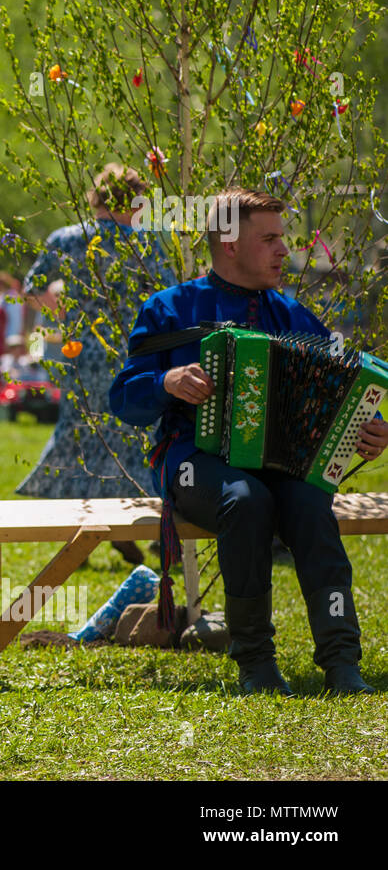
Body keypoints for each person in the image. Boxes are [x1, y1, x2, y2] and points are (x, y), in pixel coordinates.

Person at [109, 188, 387, 696]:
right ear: (230, 243)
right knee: (245, 499)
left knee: (310, 504)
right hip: (191, 461)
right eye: (271, 239)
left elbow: (342, 392)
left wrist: (369, 428)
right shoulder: (171, 308)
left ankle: (343, 660)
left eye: (283, 238)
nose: (285, 250)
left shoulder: (292, 315)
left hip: (279, 466)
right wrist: (165, 383)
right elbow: (122, 400)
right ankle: (255, 661)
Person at [20, 163, 173, 566]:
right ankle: (139, 525)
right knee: (136, 435)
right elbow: (168, 297)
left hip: (82, 350)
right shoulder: (149, 244)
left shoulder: (68, 239)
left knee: (80, 433)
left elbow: (32, 290)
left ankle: (80, 531)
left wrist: (66, 308)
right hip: (133, 351)